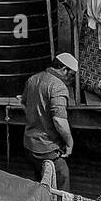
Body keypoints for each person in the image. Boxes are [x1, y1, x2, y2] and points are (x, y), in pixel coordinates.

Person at [22, 53, 78, 191]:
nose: (71, 80)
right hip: (47, 149)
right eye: (71, 75)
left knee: (41, 184)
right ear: (64, 69)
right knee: (61, 184)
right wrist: (70, 143)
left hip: (30, 145)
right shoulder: (58, 86)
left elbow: (24, 104)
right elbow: (59, 120)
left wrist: (38, 119)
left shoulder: (33, 79)